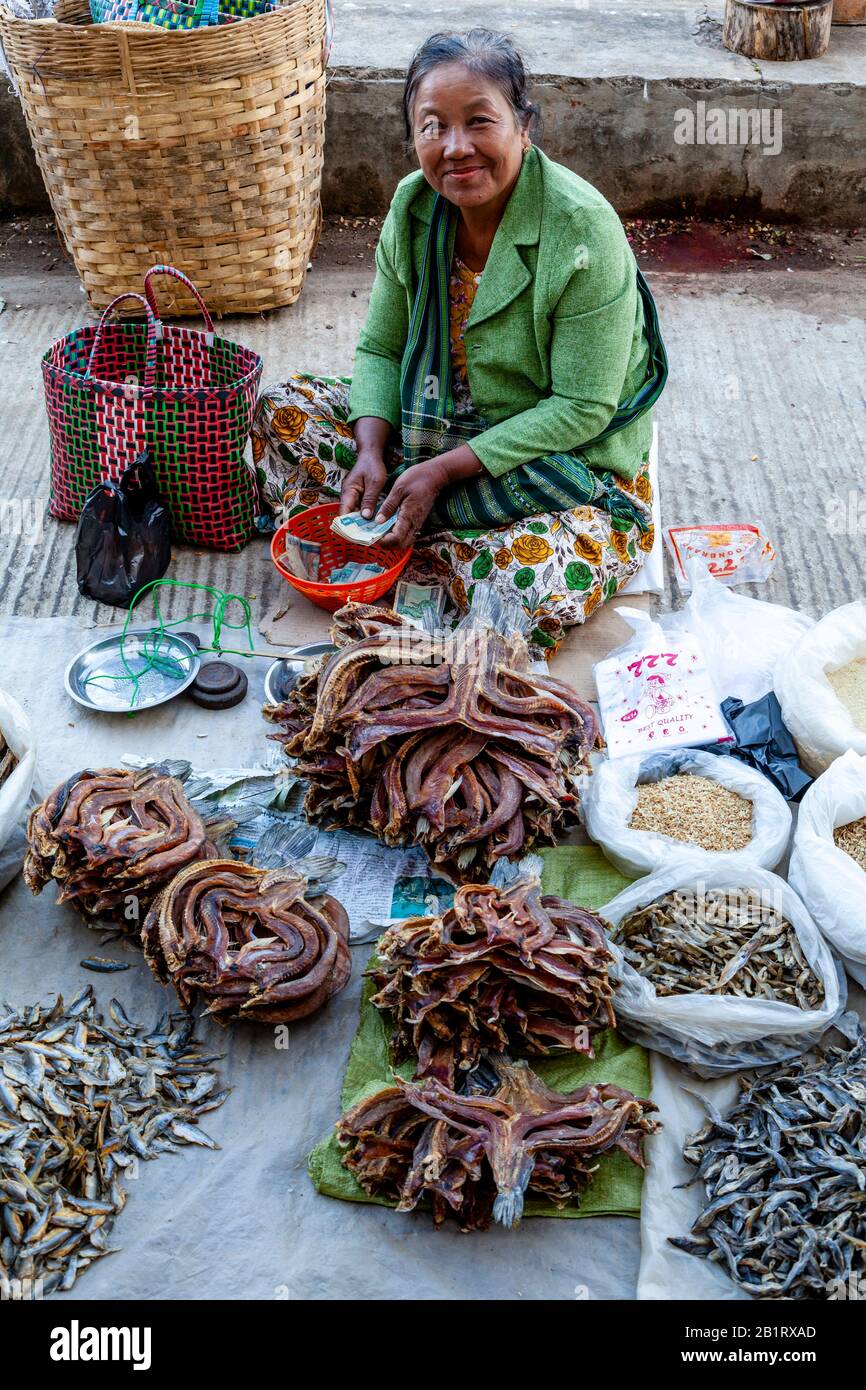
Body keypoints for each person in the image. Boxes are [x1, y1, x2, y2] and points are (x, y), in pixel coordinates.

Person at [253, 27, 667, 651]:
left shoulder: (582, 231)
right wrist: (370, 450)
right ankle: (411, 527)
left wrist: (441, 471)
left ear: (524, 125)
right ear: (413, 137)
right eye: (432, 126)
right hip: (436, 419)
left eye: (479, 121)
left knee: (525, 579)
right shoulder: (414, 209)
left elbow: (583, 408)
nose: (456, 147)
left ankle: (412, 536)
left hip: (554, 452)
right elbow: (382, 349)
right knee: (283, 410)